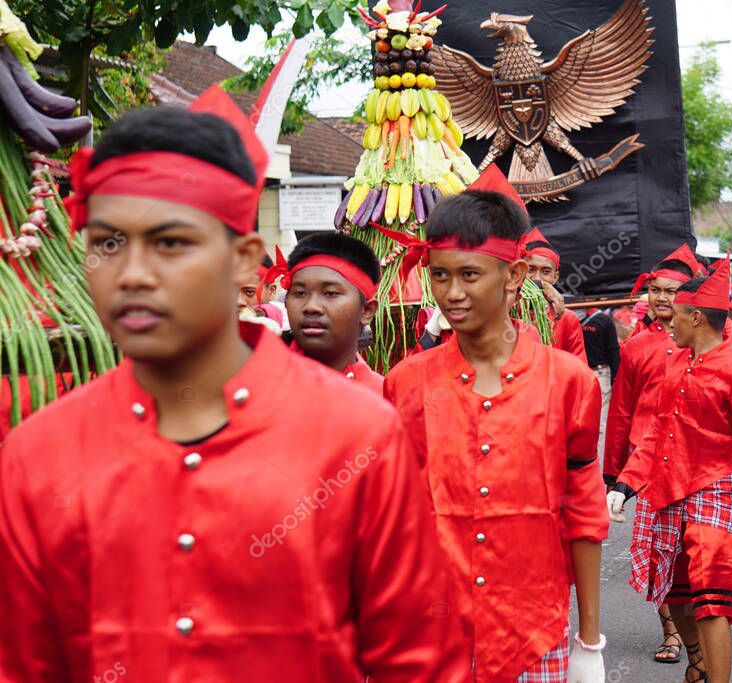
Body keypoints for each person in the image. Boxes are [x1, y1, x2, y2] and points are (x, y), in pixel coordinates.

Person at [0, 92, 469, 681]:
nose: (135, 273)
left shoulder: (357, 437)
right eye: (108, 243)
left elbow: (420, 661)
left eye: (171, 242)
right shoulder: (38, 456)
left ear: (245, 260)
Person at [383, 185, 609, 682]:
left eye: (469, 275)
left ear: (514, 277)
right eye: (439, 276)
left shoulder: (569, 383)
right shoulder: (406, 384)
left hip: (535, 634)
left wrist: (589, 642)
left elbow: (585, 513)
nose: (452, 293)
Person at [608, 260, 732, 683]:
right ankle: (698, 663)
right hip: (667, 487)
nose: (667, 321)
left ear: (696, 317)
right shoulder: (676, 363)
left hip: (715, 487)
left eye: (675, 315)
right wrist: (625, 483)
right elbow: (656, 431)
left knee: (714, 597)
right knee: (674, 593)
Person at [604, 244, 700, 665]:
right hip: (648, 467)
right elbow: (621, 411)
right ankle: (671, 631)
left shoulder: (705, 342)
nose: (662, 298)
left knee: (691, 552)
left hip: (696, 465)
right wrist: (614, 473)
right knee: (660, 548)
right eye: (656, 290)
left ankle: (697, 628)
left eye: (672, 291)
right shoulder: (637, 346)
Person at [281, 231, 384, 393]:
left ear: (366, 311)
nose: (311, 307)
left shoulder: (385, 396)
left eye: (330, 293)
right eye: (300, 293)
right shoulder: (259, 382)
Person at [523, 226, 588, 364]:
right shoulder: (506, 313)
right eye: (531, 270)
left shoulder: (567, 319)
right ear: (519, 271)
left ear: (555, 277)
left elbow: (579, 369)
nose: (537, 278)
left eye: (545, 272)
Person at [579, 307, 621, 455]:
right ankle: (599, 467)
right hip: (600, 375)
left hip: (577, 375)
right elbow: (613, 351)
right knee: (601, 425)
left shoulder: (568, 319)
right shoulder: (604, 320)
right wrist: (616, 380)